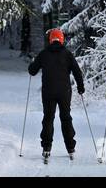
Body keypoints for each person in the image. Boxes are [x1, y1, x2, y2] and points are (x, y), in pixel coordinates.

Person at [27, 28, 85, 162]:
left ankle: (46, 147)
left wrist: (32, 64)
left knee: (48, 118)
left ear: (50, 39)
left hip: (48, 91)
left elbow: (32, 71)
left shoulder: (44, 54)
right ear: (62, 39)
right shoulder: (67, 54)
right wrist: (80, 87)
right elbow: (77, 71)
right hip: (64, 92)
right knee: (66, 118)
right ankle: (70, 147)